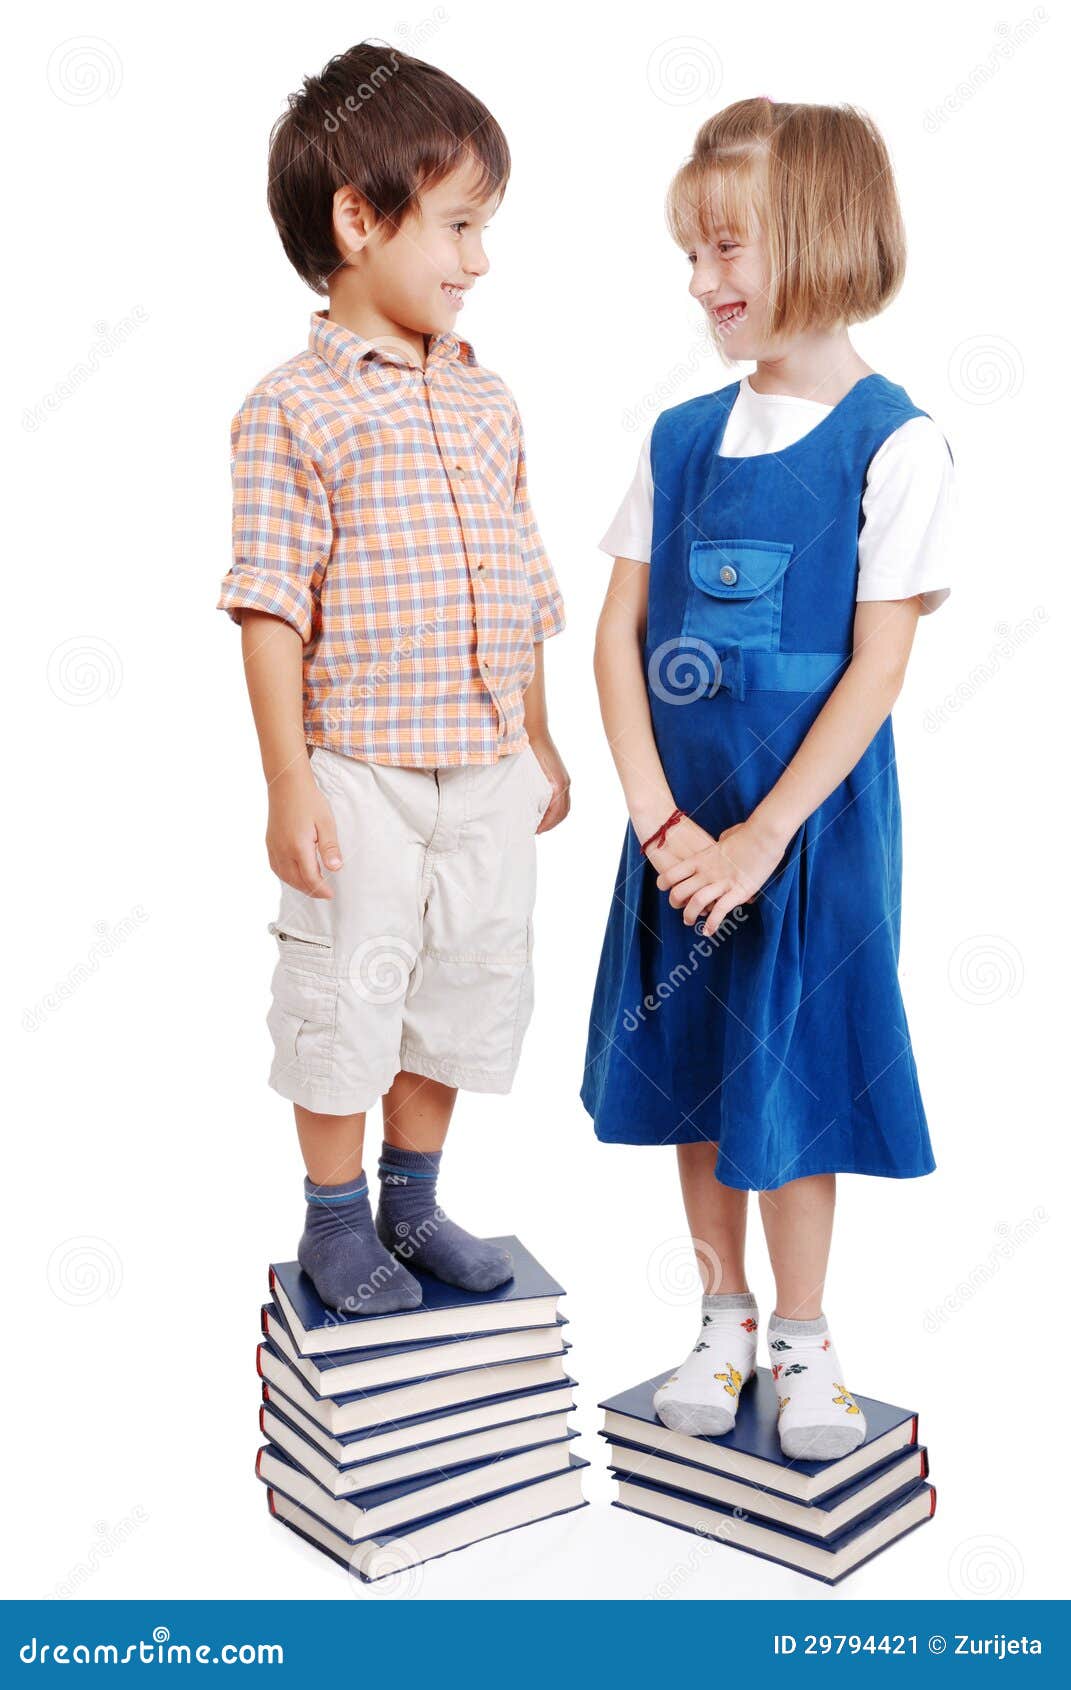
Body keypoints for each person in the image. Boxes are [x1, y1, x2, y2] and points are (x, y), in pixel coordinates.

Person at [582, 98, 954, 1458]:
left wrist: (758, 837)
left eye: (725, 249)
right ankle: (718, 1313)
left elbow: (873, 670)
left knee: (783, 1074)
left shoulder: (894, 442)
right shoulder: (675, 437)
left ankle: (801, 1334)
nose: (701, 283)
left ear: (819, 236)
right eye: (690, 256)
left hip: (805, 832)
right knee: (693, 1065)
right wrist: (661, 822)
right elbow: (615, 639)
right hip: (679, 824)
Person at [217, 44, 568, 1316]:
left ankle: (413, 1203)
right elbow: (268, 609)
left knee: (463, 982)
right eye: (460, 226)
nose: (479, 260)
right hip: (359, 766)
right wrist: (288, 783)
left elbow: (524, 587)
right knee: (347, 987)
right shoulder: (292, 410)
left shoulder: (489, 403)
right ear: (357, 221)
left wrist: (540, 739)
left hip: (484, 764)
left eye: (487, 229)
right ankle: (333, 1216)